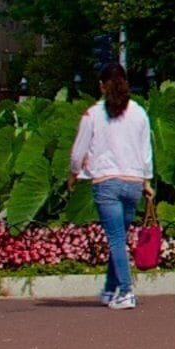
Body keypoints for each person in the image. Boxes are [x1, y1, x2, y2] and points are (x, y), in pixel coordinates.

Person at [70, 64, 155, 310]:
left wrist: (74, 174)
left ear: (101, 85)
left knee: (116, 238)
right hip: (134, 182)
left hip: (106, 181)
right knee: (120, 236)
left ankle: (126, 291)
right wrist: (147, 181)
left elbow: (78, 152)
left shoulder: (93, 114)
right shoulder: (139, 113)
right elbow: (145, 150)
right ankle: (110, 289)